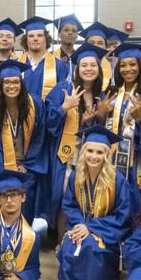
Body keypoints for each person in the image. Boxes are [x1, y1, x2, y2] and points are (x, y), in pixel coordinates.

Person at [56, 126, 138, 280]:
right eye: (90, 151)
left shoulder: (118, 180)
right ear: (83, 152)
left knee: (90, 247)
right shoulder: (76, 176)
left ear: (107, 155)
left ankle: (99, 278)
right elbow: (70, 205)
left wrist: (91, 227)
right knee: (71, 244)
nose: (94, 156)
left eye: (100, 153)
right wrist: (80, 225)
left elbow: (123, 216)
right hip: (80, 225)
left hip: (106, 232)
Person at [43, 44, 107, 230]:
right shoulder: (65, 87)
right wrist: (65, 107)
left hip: (91, 156)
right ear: (77, 69)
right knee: (66, 198)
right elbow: (48, 121)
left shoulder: (100, 94)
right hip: (67, 155)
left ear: (98, 68)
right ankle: (63, 243)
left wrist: (94, 120)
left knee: (86, 197)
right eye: (84, 65)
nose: (88, 69)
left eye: (93, 65)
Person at [0, 59, 46, 219]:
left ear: (22, 84)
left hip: (26, 166)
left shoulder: (34, 103)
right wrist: (7, 168)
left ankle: (23, 236)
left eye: (16, 82)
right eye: (7, 82)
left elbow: (39, 137)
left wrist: (25, 165)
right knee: (2, 194)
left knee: (25, 196)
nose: (12, 86)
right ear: (0, 85)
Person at [104, 42, 141, 203]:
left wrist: (140, 120)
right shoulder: (109, 95)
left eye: (133, 64)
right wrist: (100, 115)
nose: (128, 69)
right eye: (123, 65)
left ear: (140, 67)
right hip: (108, 161)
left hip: (135, 163)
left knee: (132, 202)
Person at [18, 16, 70, 101]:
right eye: (31, 36)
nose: (35, 39)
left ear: (46, 39)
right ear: (26, 40)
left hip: (49, 113)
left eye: (40, 35)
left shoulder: (59, 66)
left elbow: (62, 96)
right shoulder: (18, 65)